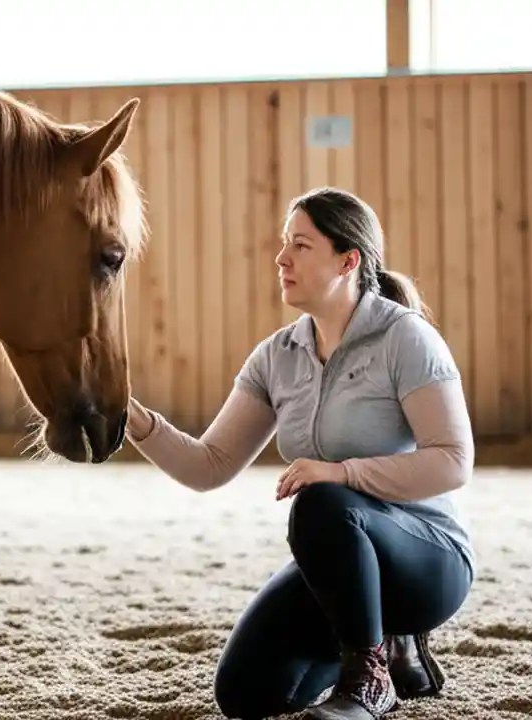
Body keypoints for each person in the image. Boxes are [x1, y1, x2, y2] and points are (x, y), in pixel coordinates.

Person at [125, 187, 475, 720]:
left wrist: (340, 472)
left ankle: (370, 678)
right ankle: (379, 645)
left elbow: (453, 460)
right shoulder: (276, 356)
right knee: (243, 695)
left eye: (302, 245)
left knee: (320, 500)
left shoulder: (406, 339)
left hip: (426, 563)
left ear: (348, 260)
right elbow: (209, 465)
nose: (281, 258)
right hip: (341, 562)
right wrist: (131, 417)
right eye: (284, 244)